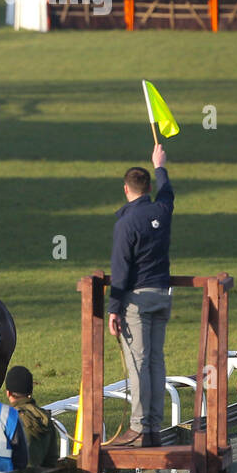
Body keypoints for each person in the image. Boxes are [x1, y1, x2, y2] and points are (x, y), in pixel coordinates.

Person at [107, 144, 174, 448]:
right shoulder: (162, 209)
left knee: (138, 363)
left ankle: (138, 428)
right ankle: (155, 427)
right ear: (148, 187)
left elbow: (120, 270)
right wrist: (160, 165)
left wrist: (113, 309)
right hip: (163, 295)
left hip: (136, 300)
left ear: (126, 189)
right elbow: (168, 192)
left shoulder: (126, 223)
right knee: (156, 363)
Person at [4, 366, 60, 466]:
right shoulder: (45, 417)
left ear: (8, 393)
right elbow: (52, 460)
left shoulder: (7, 418)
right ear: (30, 391)